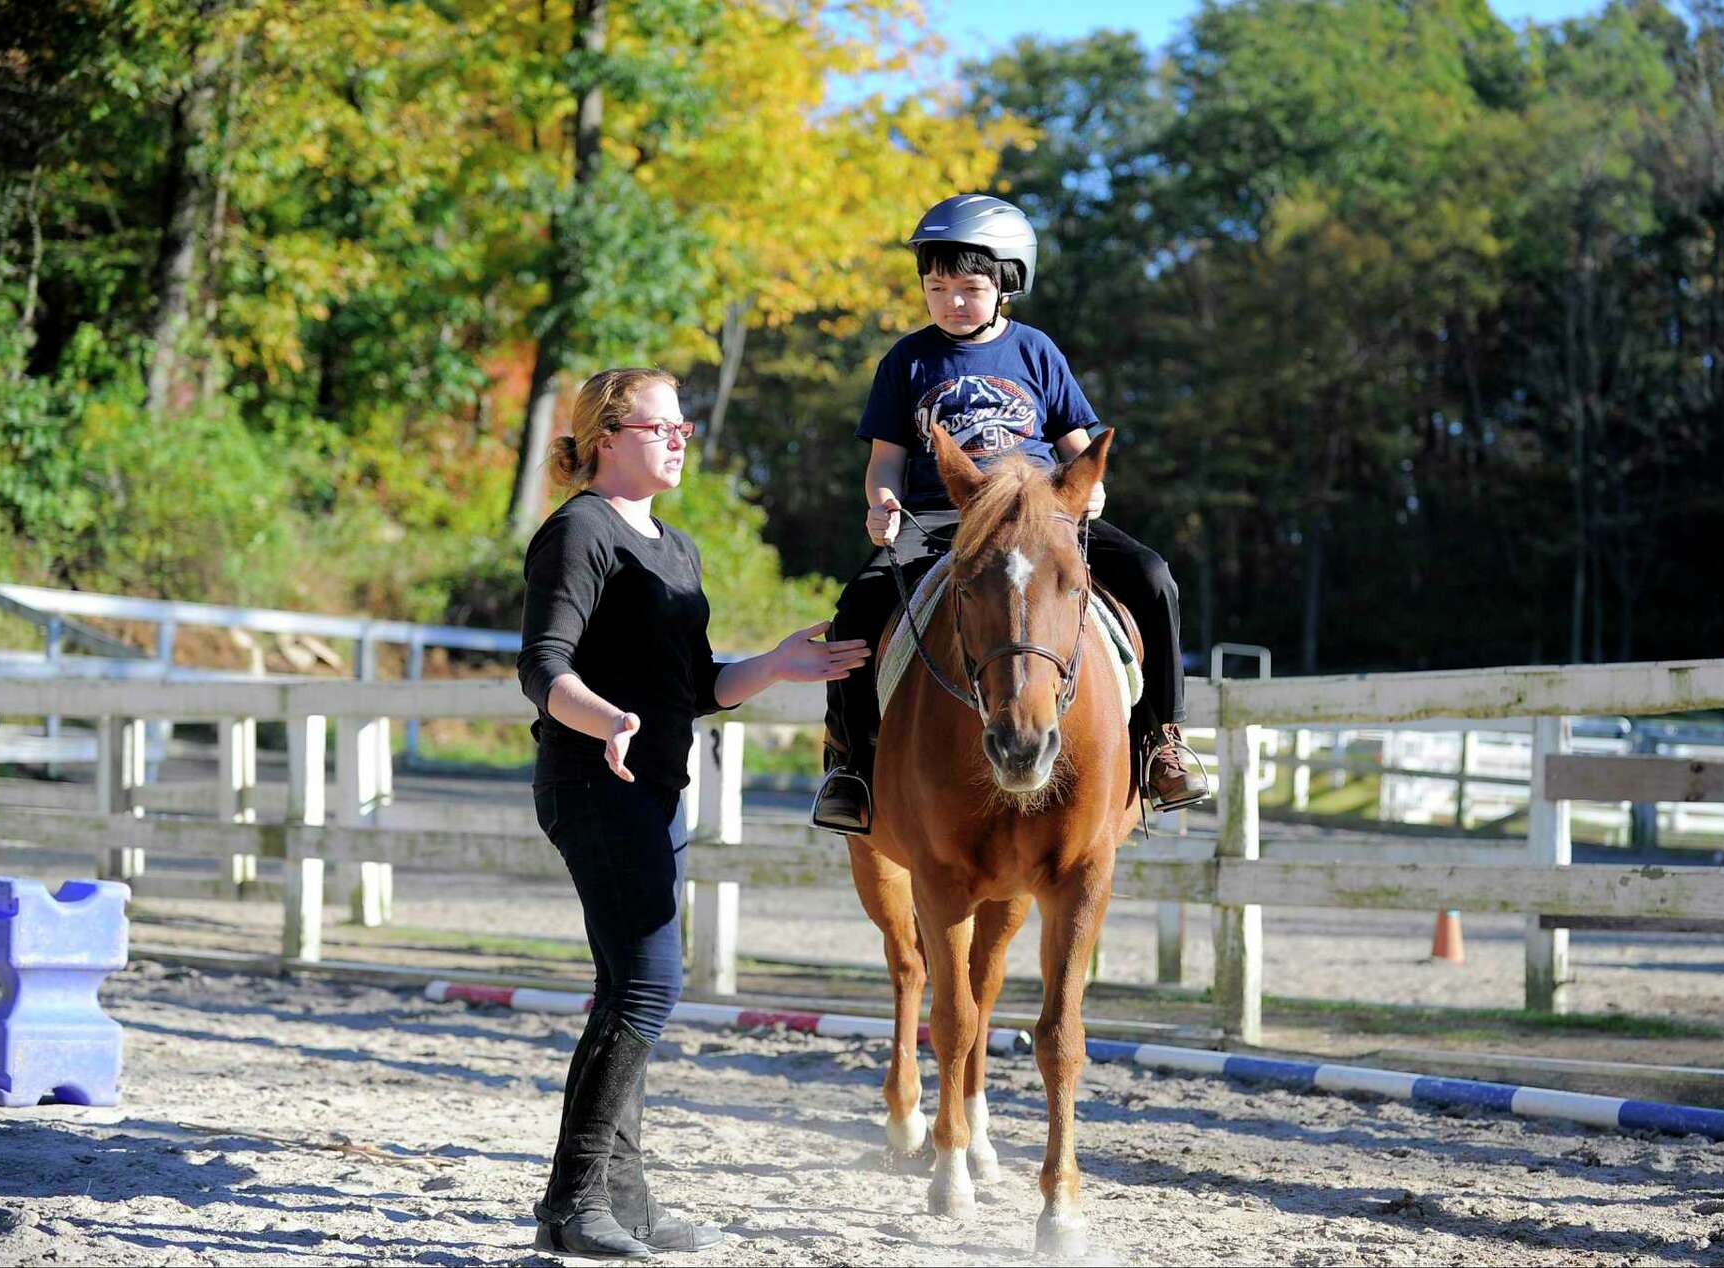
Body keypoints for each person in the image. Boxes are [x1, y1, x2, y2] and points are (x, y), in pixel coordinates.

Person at [518, 367, 870, 1260]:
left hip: (656, 789)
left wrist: (780, 664)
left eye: (683, 427)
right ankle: (570, 1205)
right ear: (607, 436)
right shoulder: (578, 532)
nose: (679, 439)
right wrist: (605, 719)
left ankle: (622, 1205)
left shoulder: (675, 546)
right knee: (650, 984)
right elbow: (543, 665)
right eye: (661, 426)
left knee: (627, 987)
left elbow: (698, 685)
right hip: (594, 783)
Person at [810, 193, 1209, 836]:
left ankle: (1161, 740)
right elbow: (885, 461)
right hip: (943, 522)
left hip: (1039, 517)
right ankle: (851, 765)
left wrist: (1091, 486)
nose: (950, 302)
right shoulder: (907, 361)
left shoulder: (1036, 352)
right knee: (855, 612)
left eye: (968, 288)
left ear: (1007, 284)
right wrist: (882, 502)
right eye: (936, 288)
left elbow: (1076, 440)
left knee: (1154, 576)